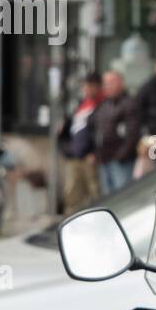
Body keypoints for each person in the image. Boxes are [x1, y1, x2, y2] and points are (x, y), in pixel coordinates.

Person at [60, 73, 103, 210]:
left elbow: (102, 133)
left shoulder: (103, 105)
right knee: (72, 195)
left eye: (89, 86)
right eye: (84, 86)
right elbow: (69, 129)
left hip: (90, 157)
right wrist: (66, 148)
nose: (86, 89)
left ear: (97, 87)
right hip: (74, 155)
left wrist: (95, 153)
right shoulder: (80, 104)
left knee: (94, 194)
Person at [93, 70, 139, 194]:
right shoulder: (104, 105)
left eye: (111, 82)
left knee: (122, 197)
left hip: (121, 161)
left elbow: (132, 134)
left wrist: (121, 156)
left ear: (121, 83)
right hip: (104, 160)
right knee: (108, 199)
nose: (108, 86)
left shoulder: (128, 104)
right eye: (105, 83)